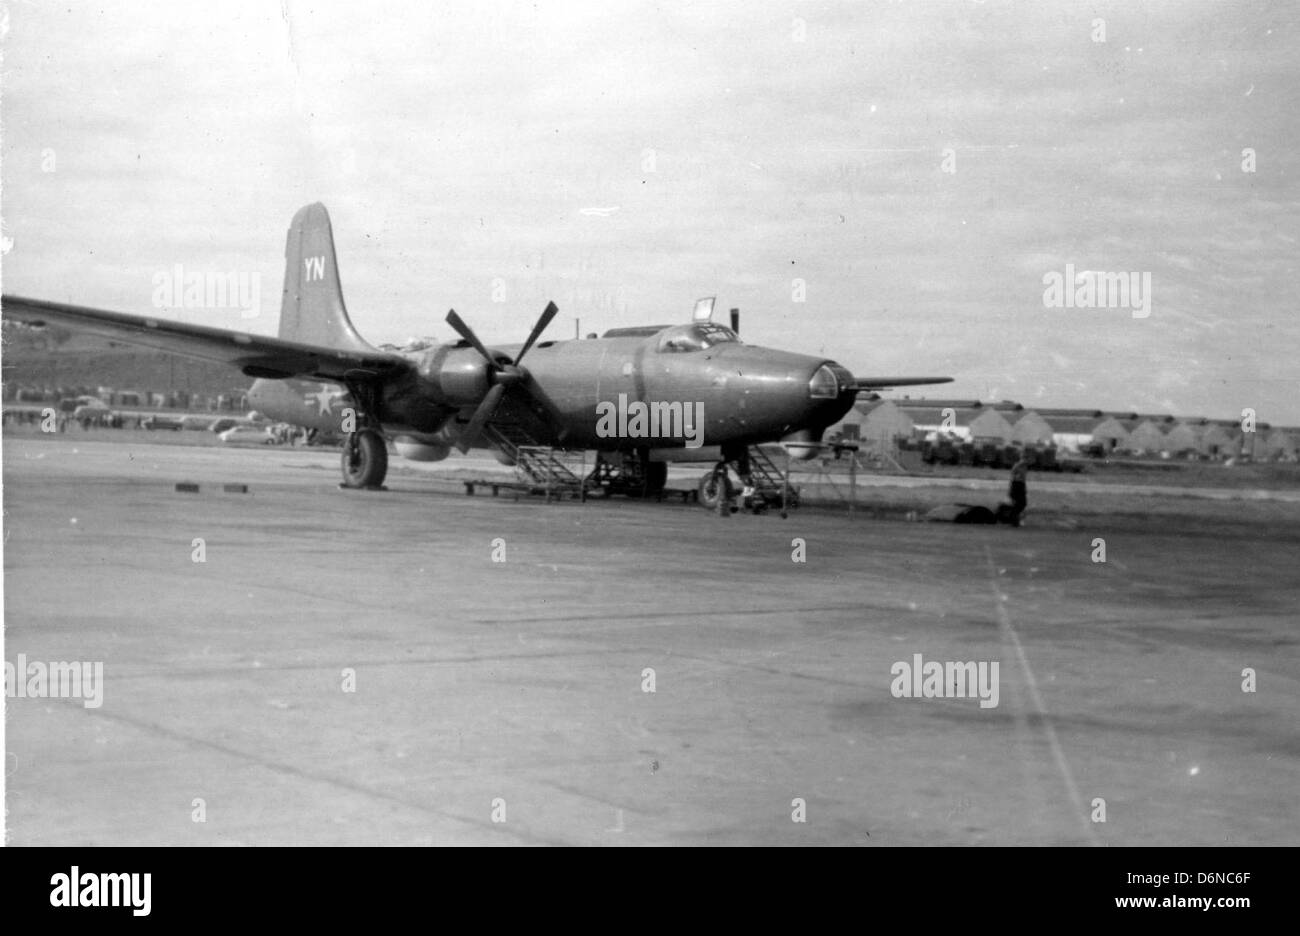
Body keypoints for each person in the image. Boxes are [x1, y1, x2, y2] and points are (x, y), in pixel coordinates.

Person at [1007, 457, 1029, 526]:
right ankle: (1013, 519)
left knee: (1020, 504)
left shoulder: (1024, 467)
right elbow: (1013, 474)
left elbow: (1023, 478)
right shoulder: (1018, 466)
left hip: (1020, 485)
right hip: (1017, 485)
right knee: (1020, 503)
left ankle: (1013, 519)